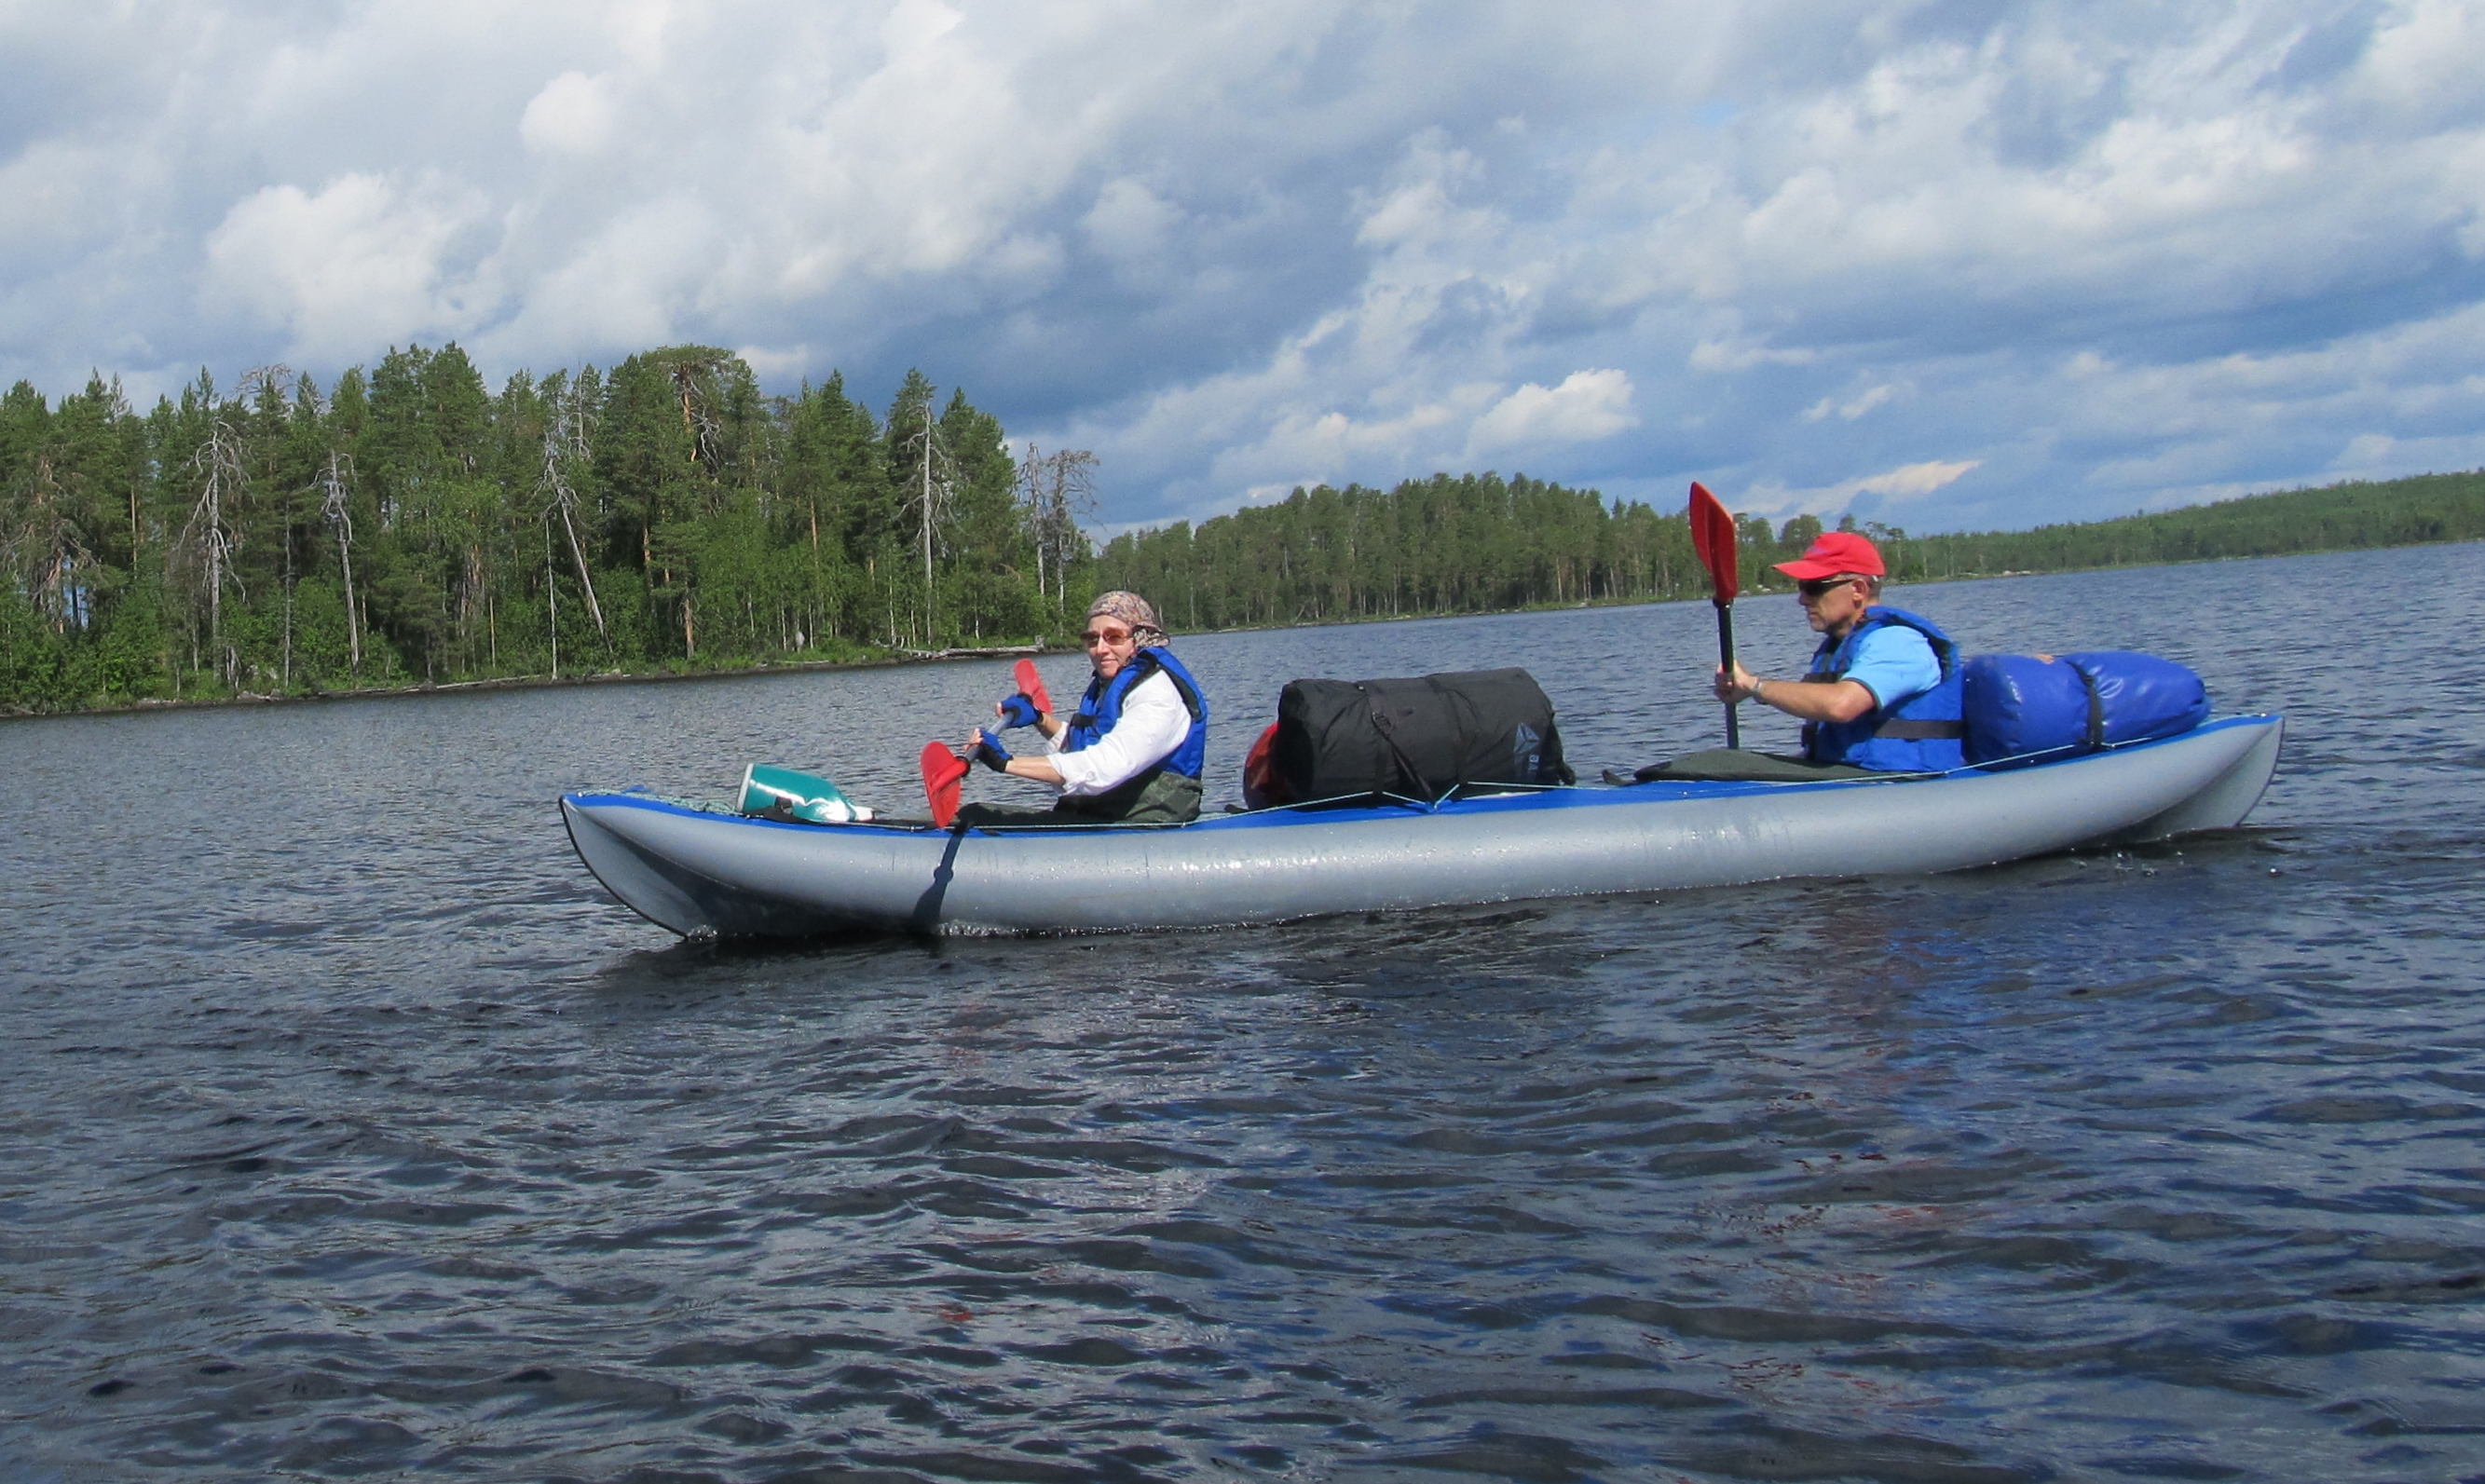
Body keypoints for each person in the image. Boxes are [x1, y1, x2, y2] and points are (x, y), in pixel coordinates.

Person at [1710, 529, 1964, 774]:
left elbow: (1841, 705)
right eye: (1801, 586)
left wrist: (1755, 686)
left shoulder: (1898, 643)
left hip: (1905, 786)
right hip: (1854, 781)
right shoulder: (1839, 647)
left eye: (1814, 587)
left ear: (1858, 590)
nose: (1803, 599)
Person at [957, 591, 1209, 825]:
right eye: (1092, 638)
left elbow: (1105, 766)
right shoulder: (1111, 683)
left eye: (1114, 637)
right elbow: (1088, 746)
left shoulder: (1157, 694)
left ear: (1140, 637)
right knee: (974, 814)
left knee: (975, 816)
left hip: (1145, 827)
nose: (1100, 649)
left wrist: (1007, 763)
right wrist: (1039, 719)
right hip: (1105, 816)